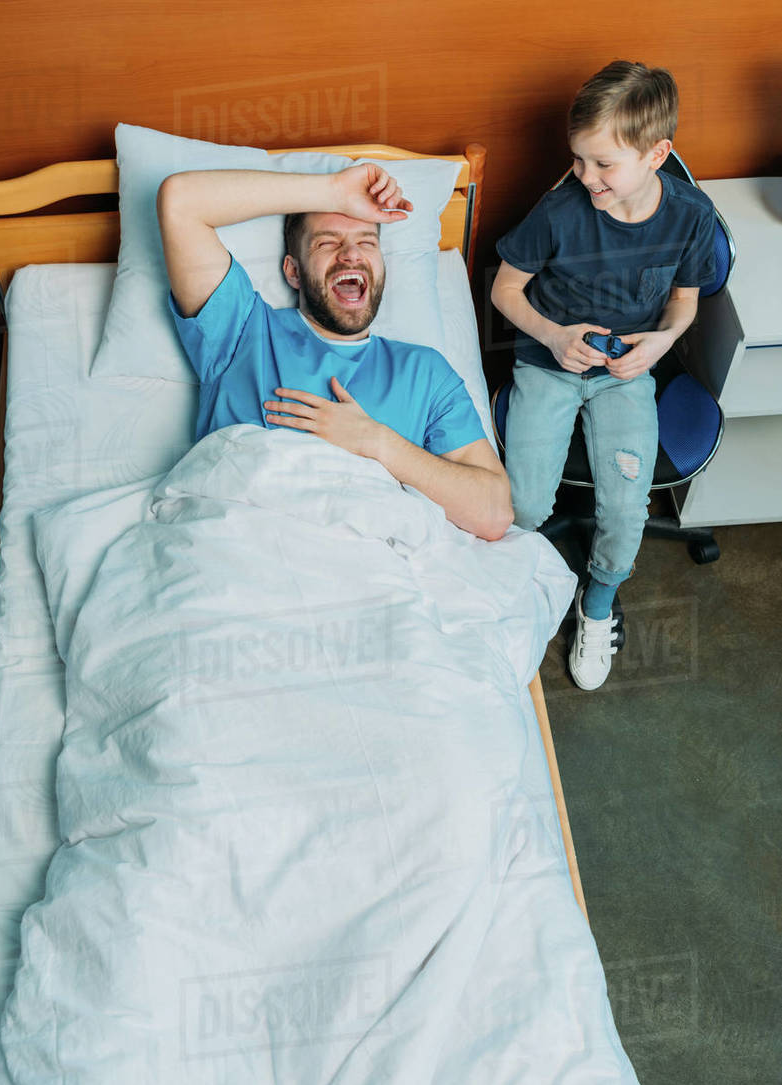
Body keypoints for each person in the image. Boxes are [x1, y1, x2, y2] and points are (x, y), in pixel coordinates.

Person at [491, 60, 716, 688]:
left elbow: (685, 300)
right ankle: (518, 594)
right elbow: (506, 289)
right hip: (550, 360)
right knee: (526, 505)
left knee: (626, 507)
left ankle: (596, 605)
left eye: (603, 164)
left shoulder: (690, 216)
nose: (585, 176)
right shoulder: (562, 209)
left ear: (656, 154)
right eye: (579, 159)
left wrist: (664, 340)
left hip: (626, 371)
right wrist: (555, 337)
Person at [156, 162, 513, 542]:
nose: (350, 255)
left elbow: (493, 514)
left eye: (366, 242)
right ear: (292, 271)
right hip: (246, 544)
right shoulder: (244, 330)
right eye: (327, 243)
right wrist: (335, 192)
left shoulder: (425, 372)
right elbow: (181, 202)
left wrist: (375, 442)